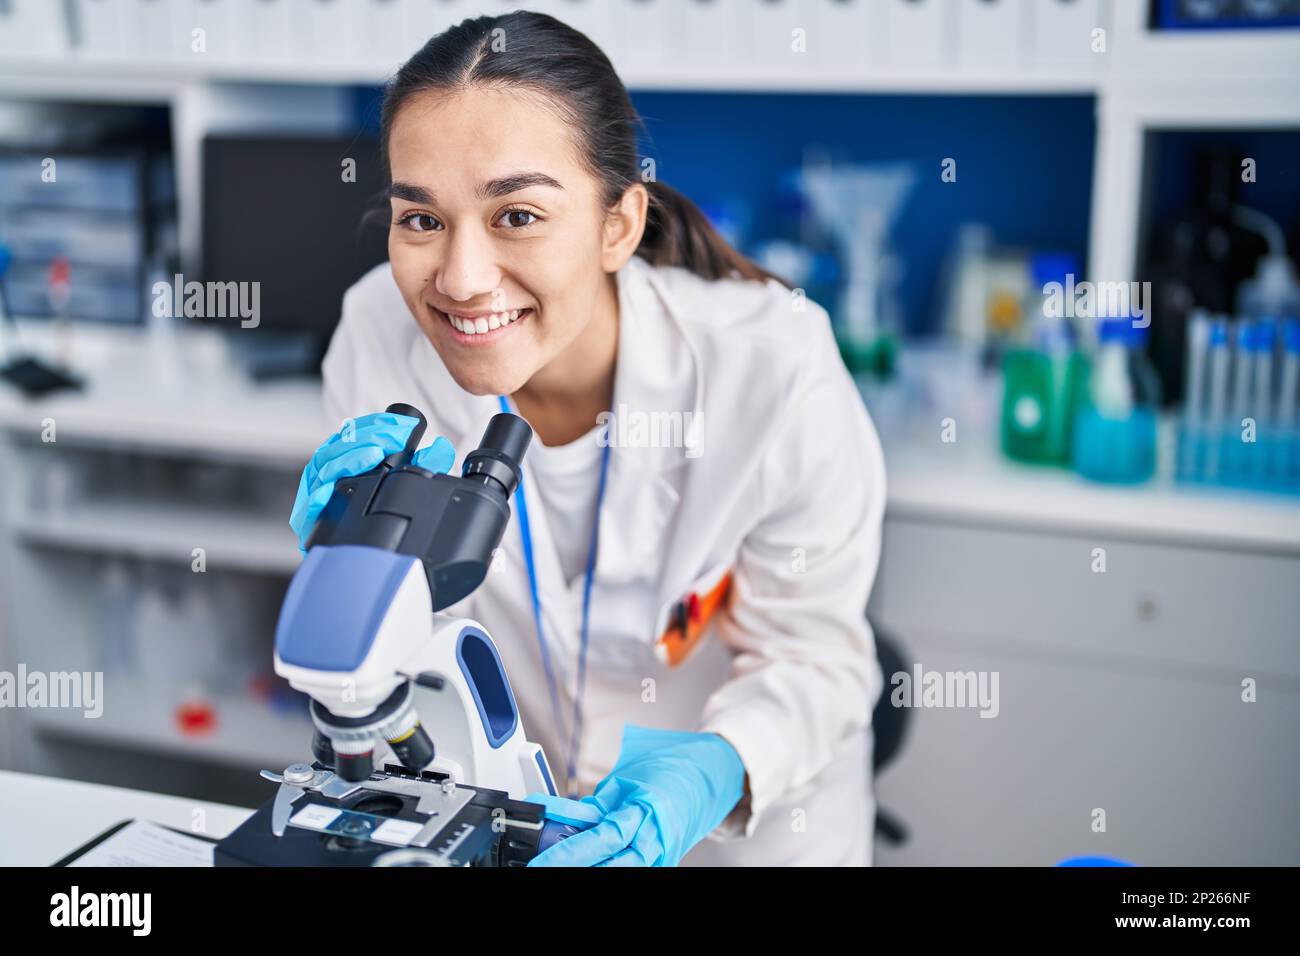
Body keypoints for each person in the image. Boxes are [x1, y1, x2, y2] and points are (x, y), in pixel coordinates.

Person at [290, 10, 886, 866]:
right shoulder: (376, 335)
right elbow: (409, 658)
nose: (459, 279)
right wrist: (346, 574)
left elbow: (820, 659)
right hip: (509, 826)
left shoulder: (772, 370)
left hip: (743, 845)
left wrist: (718, 770)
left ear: (619, 226)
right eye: (420, 219)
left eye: (517, 216)